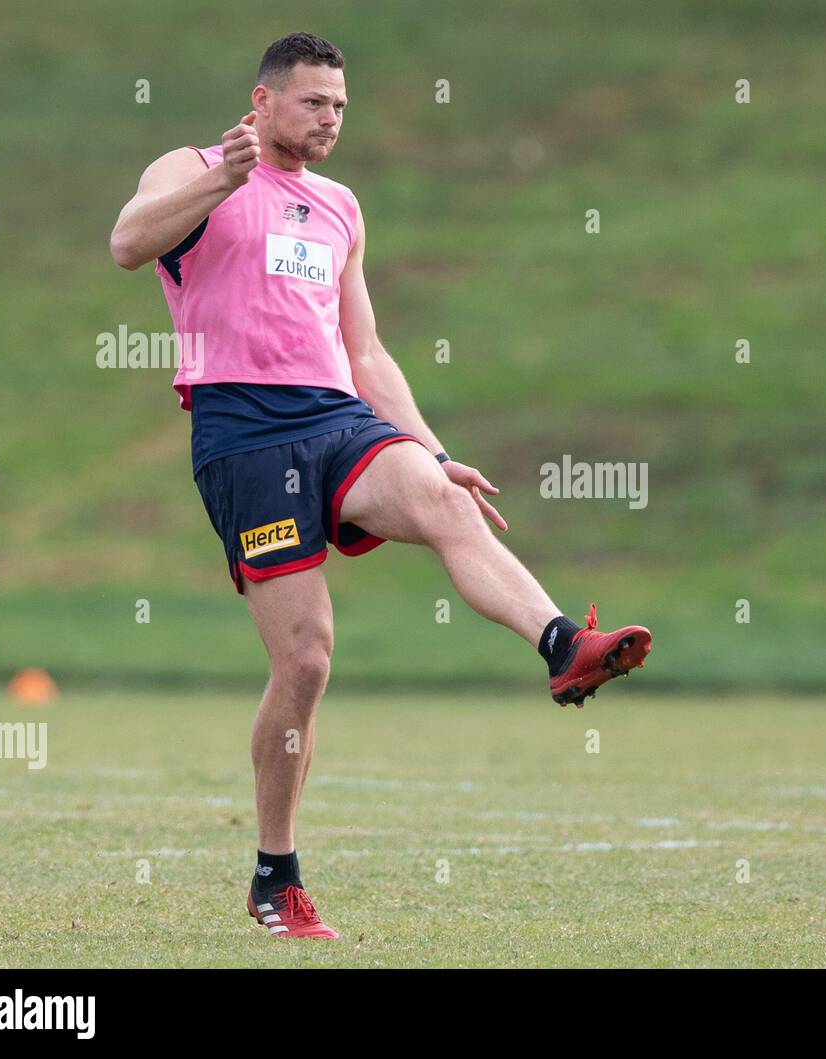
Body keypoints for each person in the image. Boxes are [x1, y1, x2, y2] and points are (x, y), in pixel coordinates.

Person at [109, 32, 651, 939]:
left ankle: (565, 645)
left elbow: (365, 351)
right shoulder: (195, 165)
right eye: (315, 102)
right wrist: (221, 181)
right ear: (263, 102)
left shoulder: (341, 206)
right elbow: (128, 243)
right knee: (308, 660)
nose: (331, 119)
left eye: (341, 107)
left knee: (446, 504)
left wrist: (434, 451)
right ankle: (275, 877)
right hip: (242, 432)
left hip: (335, 415)